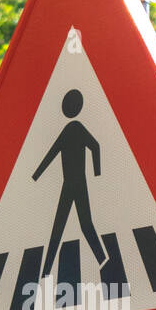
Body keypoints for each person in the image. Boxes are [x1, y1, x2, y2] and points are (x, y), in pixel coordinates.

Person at [32, 88, 108, 276]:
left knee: (80, 224)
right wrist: (36, 175)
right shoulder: (71, 129)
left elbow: (95, 146)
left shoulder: (74, 128)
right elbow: (52, 153)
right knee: (72, 225)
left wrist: (98, 172)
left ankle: (101, 259)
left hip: (77, 184)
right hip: (72, 184)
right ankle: (48, 270)